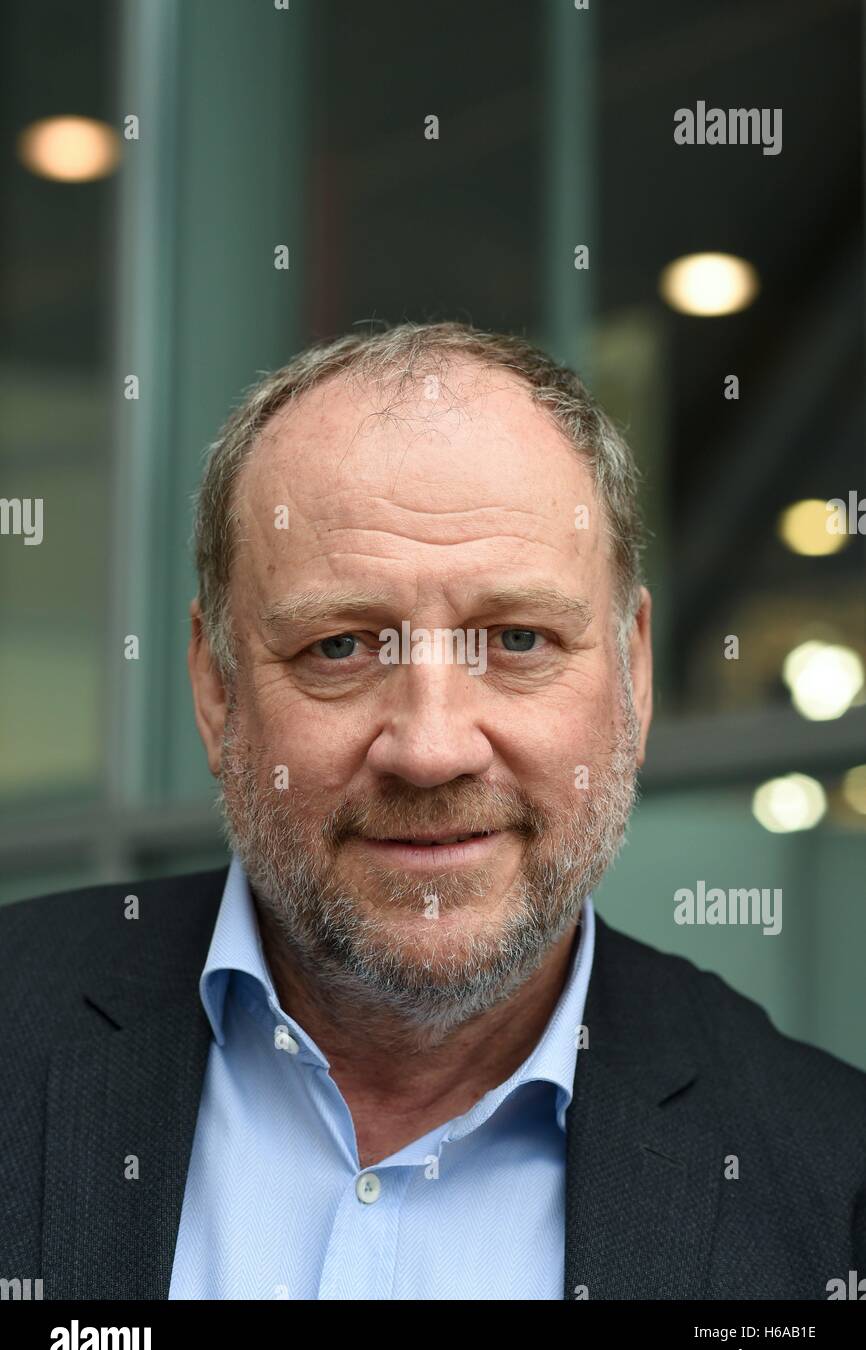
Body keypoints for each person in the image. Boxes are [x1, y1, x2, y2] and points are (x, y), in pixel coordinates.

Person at [2, 322, 864, 1300]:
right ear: (215, 686)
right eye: (340, 647)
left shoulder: (829, 1191)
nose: (430, 747)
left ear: (630, 669)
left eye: (516, 638)